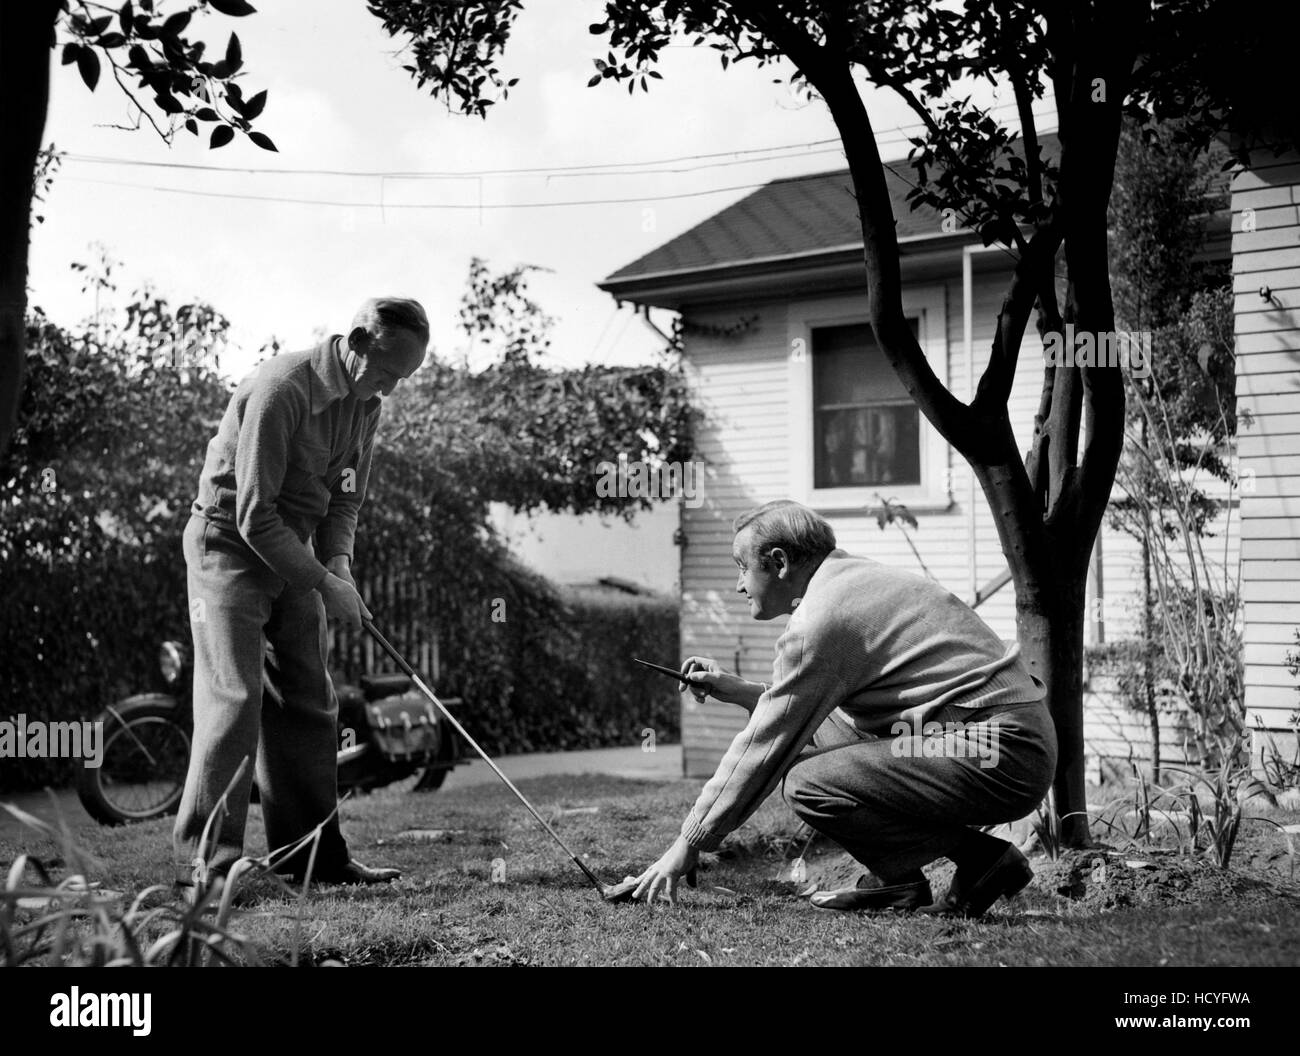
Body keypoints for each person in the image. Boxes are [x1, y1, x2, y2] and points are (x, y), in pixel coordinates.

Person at [630, 499, 1057, 916]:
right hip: (1001, 738)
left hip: (998, 751)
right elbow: (802, 713)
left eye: (742, 567)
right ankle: (898, 882)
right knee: (819, 747)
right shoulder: (850, 581)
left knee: (807, 782)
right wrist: (740, 690)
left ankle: (981, 859)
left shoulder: (822, 617)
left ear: (779, 563)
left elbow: (767, 743)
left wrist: (688, 844)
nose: (739, 584)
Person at [173, 297, 428, 889]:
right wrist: (323, 582)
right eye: (387, 373)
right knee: (236, 698)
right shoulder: (281, 389)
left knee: (311, 697)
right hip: (227, 546)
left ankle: (314, 858)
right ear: (358, 341)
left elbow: (346, 498)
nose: (389, 390)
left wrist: (338, 564)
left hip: (294, 552)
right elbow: (255, 517)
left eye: (401, 381)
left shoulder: (367, 405)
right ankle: (205, 869)